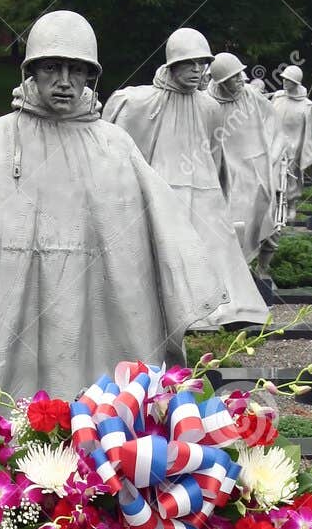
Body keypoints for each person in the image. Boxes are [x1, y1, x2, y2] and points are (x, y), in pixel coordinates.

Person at [0, 10, 231, 444]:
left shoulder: (115, 146)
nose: (64, 80)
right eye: (51, 67)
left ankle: (90, 491)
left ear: (91, 76)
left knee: (90, 417)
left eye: (77, 70)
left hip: (91, 316)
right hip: (0, 313)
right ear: (31, 70)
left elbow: (165, 234)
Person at [102, 27, 264, 314]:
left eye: (201, 63)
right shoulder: (141, 101)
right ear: (172, 64)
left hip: (204, 192)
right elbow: (118, 147)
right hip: (163, 188)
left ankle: (216, 309)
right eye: (189, 63)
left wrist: (216, 194)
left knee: (212, 251)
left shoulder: (209, 107)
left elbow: (215, 154)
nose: (197, 70)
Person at [205, 51, 282, 264]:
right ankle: (237, 271)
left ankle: (263, 268)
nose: (241, 80)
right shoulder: (207, 102)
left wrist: (272, 157)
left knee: (266, 220)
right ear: (220, 81)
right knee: (233, 222)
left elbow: (274, 124)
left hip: (258, 171)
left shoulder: (251, 96)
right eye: (234, 77)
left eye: (241, 75)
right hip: (227, 174)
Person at [266, 65, 312, 225]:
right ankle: (272, 207)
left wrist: (308, 153)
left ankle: (291, 205)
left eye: (288, 80)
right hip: (273, 144)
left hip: (293, 148)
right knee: (271, 175)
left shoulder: (308, 106)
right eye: (283, 78)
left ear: (296, 82)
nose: (284, 82)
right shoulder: (277, 98)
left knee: (290, 177)